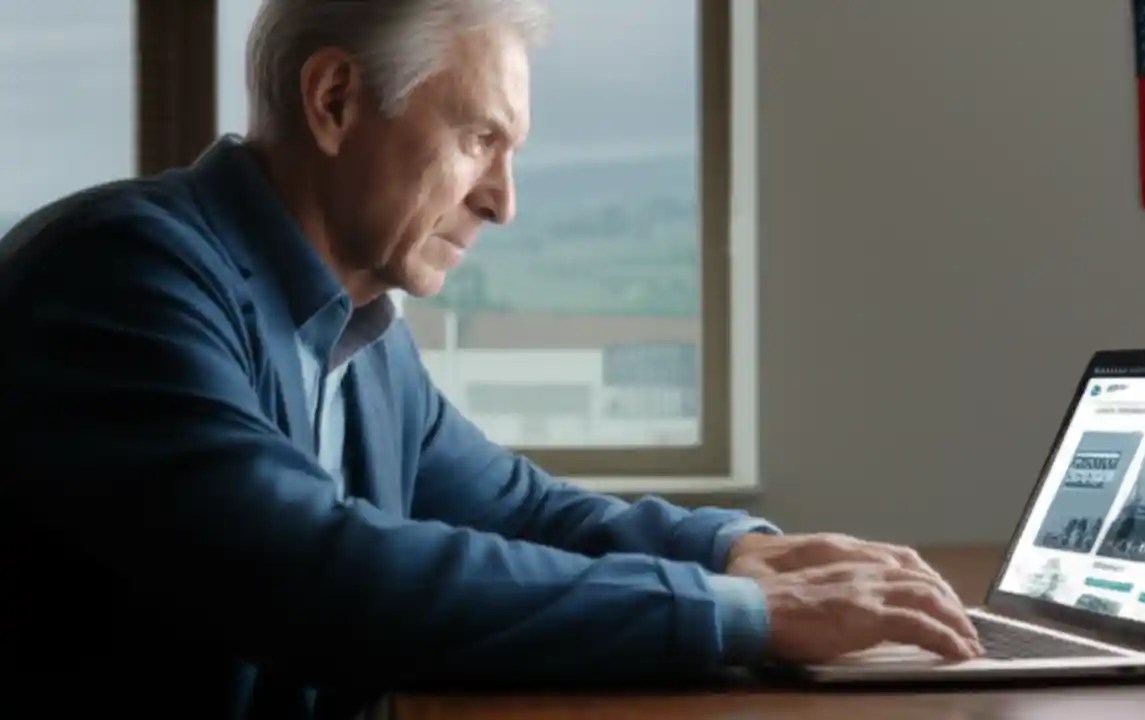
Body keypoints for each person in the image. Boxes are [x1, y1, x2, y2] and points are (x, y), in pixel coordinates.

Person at [0, 0, 980, 716]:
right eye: (478, 139)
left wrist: (734, 551)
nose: (503, 202)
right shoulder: (121, 274)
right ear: (335, 100)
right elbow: (312, 573)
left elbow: (515, 509)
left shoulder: (359, 328)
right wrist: (742, 612)